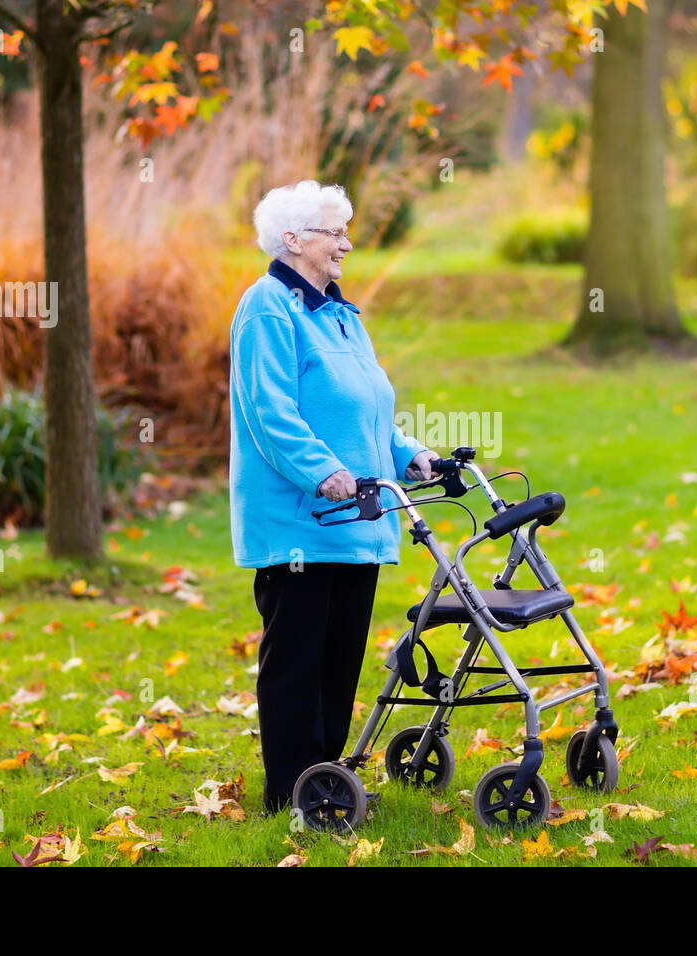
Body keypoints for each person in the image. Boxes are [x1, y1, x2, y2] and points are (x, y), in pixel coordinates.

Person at [228, 180, 436, 814]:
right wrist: (323, 472)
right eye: (334, 232)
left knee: (339, 666)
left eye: (346, 231)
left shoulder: (341, 315)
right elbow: (270, 411)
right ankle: (291, 794)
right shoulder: (268, 309)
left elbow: (368, 412)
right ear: (293, 240)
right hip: (302, 520)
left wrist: (409, 455)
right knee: (296, 667)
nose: (346, 243)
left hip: (358, 521)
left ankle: (324, 787)